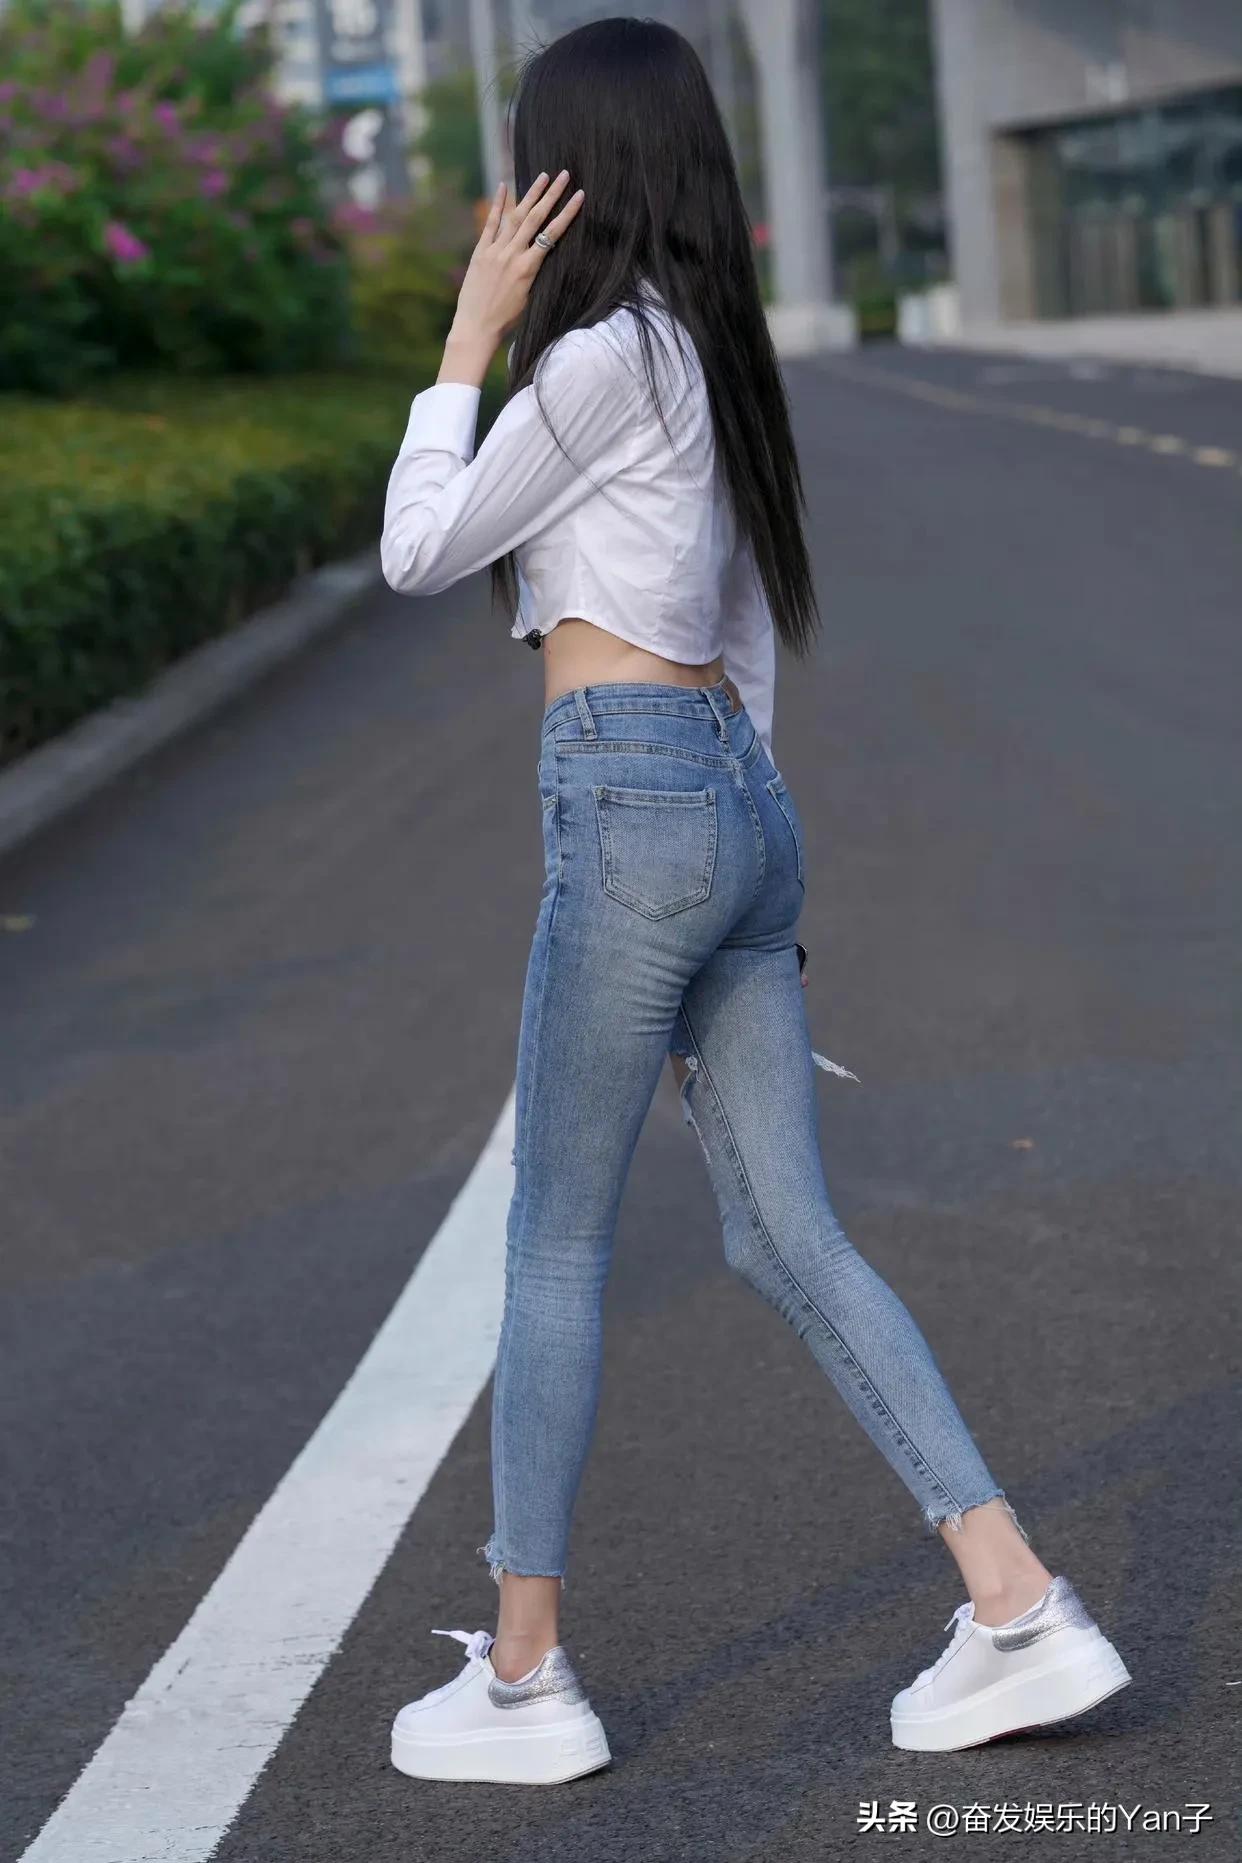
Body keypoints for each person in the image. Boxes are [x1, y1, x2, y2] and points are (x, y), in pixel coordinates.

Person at [378, 17, 1129, 1784]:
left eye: (526, 162)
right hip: (730, 797)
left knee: (556, 1238)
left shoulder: (586, 365)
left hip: (634, 793)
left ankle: (523, 1677)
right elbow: (733, 642)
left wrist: (464, 344)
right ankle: (1014, 1604)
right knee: (782, 1235)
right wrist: (752, 867)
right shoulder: (703, 352)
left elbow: (423, 550)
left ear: (569, 175)